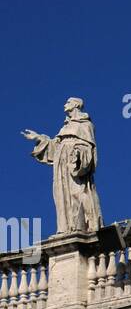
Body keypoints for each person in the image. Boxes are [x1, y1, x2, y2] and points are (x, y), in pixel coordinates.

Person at [22, 97, 102, 234]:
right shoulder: (65, 127)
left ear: (76, 105)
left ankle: (81, 227)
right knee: (62, 197)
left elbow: (89, 147)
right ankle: (66, 228)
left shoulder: (85, 125)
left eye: (68, 102)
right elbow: (55, 147)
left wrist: (77, 155)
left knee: (77, 193)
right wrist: (38, 138)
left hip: (73, 165)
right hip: (61, 165)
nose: (65, 104)